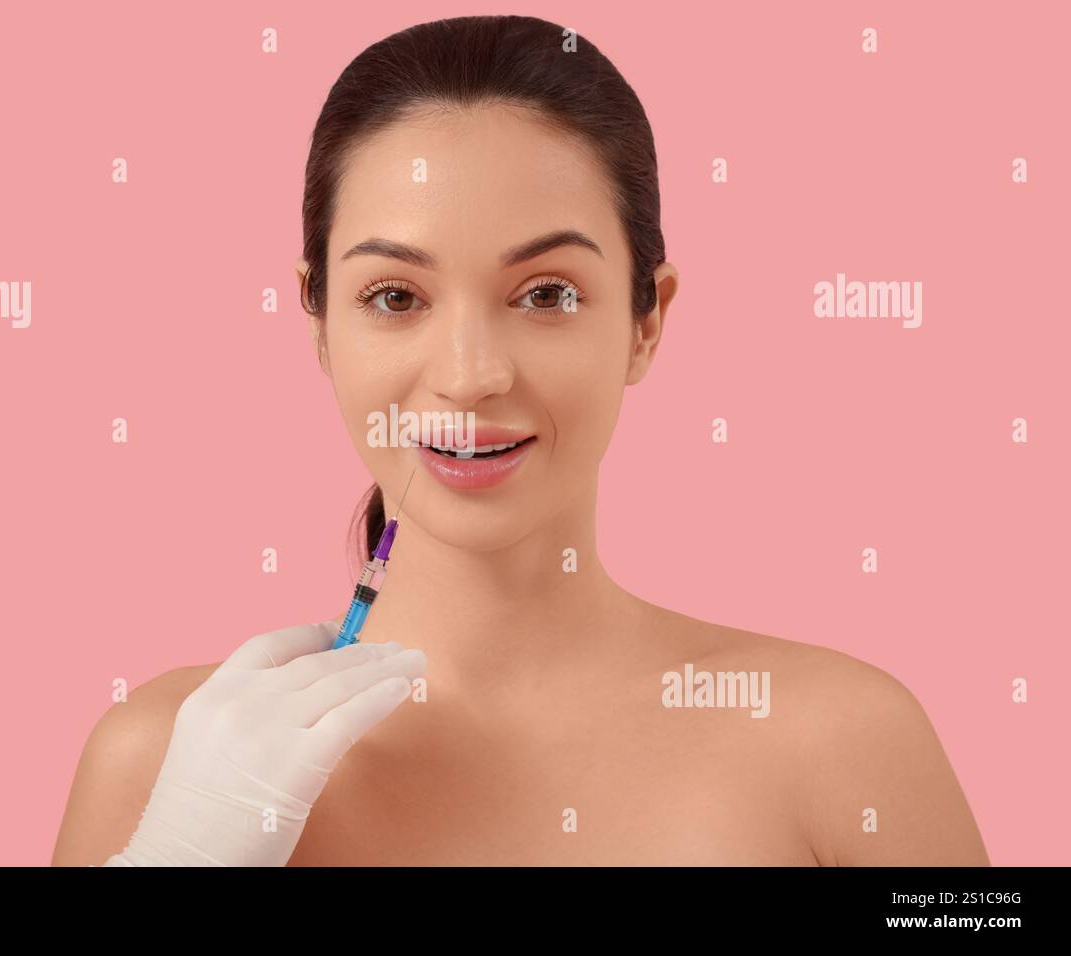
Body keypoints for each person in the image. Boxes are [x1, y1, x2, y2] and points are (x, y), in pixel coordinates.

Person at [52, 14, 989, 867]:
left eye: (546, 294)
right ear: (320, 322)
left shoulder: (841, 741)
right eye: (395, 298)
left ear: (645, 322)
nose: (470, 375)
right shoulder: (163, 759)